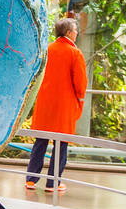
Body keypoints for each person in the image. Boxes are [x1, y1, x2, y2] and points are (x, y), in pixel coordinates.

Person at [26, 16, 87, 192]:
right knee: (60, 145)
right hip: (64, 106)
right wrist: (79, 101)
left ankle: (31, 179)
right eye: (75, 30)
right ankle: (53, 183)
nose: (76, 33)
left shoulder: (47, 50)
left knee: (40, 142)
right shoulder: (75, 53)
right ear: (68, 32)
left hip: (45, 103)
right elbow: (80, 83)